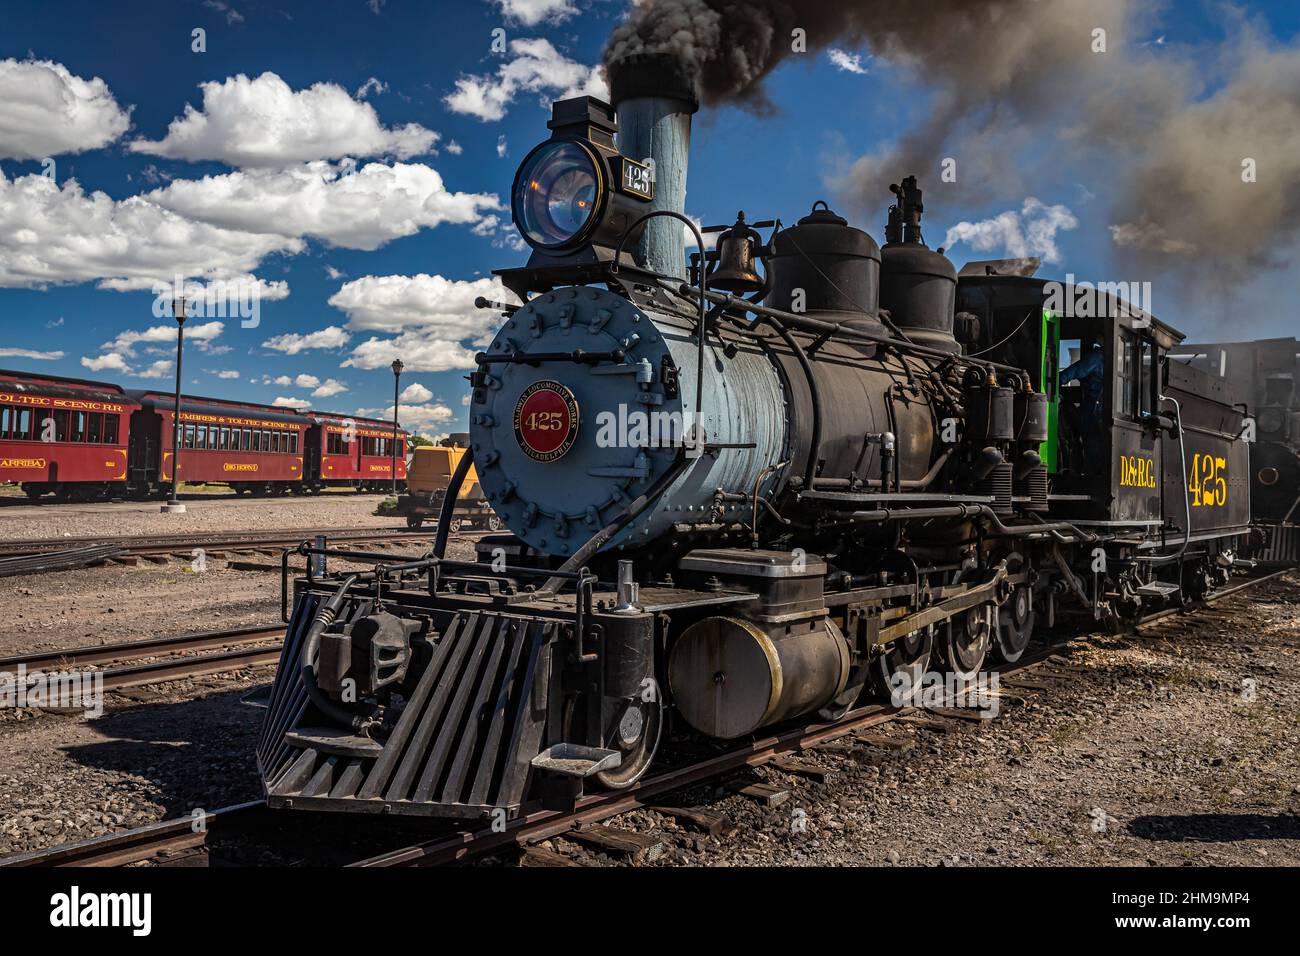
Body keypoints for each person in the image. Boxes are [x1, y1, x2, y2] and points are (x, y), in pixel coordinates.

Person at [1060, 340, 1105, 474]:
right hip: (1096, 415)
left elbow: (1067, 375)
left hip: (1096, 414)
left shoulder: (1098, 359)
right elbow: (1068, 375)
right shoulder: (1099, 359)